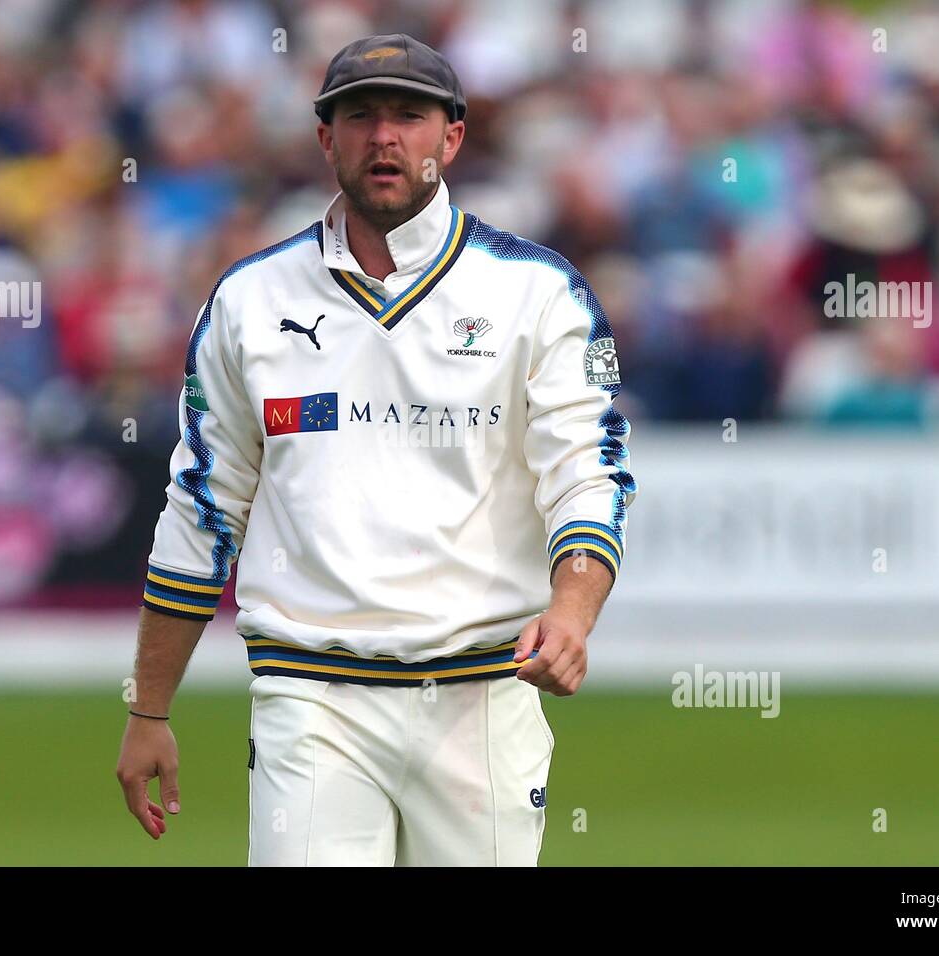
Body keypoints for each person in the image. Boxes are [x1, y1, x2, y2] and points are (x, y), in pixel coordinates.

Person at [116, 33, 636, 866]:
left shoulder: (535, 291)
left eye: (408, 115)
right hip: (310, 694)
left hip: (484, 694)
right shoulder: (250, 300)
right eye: (359, 116)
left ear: (452, 137)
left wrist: (573, 612)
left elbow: (589, 472)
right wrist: (149, 710)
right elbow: (202, 514)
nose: (384, 137)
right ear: (326, 139)